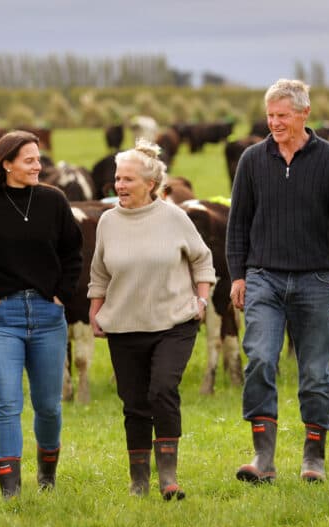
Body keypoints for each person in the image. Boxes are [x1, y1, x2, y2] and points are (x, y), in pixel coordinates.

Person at [226, 78, 329, 484]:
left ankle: (314, 458)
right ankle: (263, 459)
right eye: (269, 115)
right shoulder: (252, 159)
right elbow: (238, 225)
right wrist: (238, 274)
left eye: (282, 115)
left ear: (305, 113)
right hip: (263, 278)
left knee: (315, 372)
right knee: (260, 361)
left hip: (316, 280)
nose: (274, 122)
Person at [0, 130, 83, 499]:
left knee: (48, 406)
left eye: (38, 159)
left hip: (47, 317)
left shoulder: (53, 201)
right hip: (2, 320)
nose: (37, 166)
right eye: (29, 160)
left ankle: (47, 476)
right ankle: (10, 492)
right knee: (7, 403)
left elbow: (74, 251)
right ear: (7, 164)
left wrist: (61, 294)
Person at [88, 139, 216, 500]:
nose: (120, 186)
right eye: (117, 179)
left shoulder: (175, 217)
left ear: (150, 184)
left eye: (128, 179)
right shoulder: (108, 222)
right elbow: (99, 273)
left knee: (162, 390)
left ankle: (169, 476)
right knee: (134, 403)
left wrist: (202, 300)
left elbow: (202, 260)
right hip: (125, 325)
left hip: (174, 323)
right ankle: (138, 480)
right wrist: (95, 310)